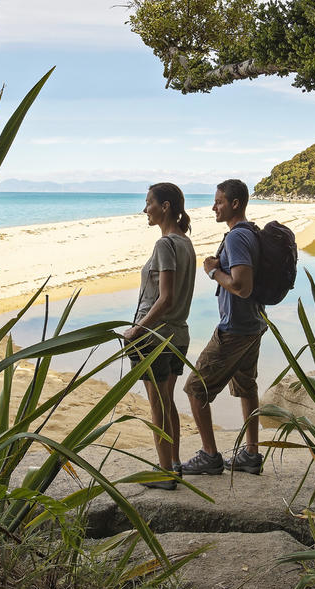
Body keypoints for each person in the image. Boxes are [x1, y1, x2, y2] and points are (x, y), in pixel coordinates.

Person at [182, 179, 266, 476]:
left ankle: (209, 455)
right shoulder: (250, 233)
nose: (213, 206)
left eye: (218, 201)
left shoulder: (235, 238)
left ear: (234, 203)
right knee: (246, 387)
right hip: (254, 323)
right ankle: (251, 455)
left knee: (195, 389)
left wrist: (213, 271)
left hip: (235, 328)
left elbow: (242, 287)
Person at [123, 183, 196, 490]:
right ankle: (174, 464)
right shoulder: (187, 243)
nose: (145, 209)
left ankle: (164, 472)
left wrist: (137, 329)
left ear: (165, 206)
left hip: (155, 337)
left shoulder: (165, 245)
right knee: (168, 402)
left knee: (158, 406)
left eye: (149, 203)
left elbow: (163, 298)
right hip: (178, 335)